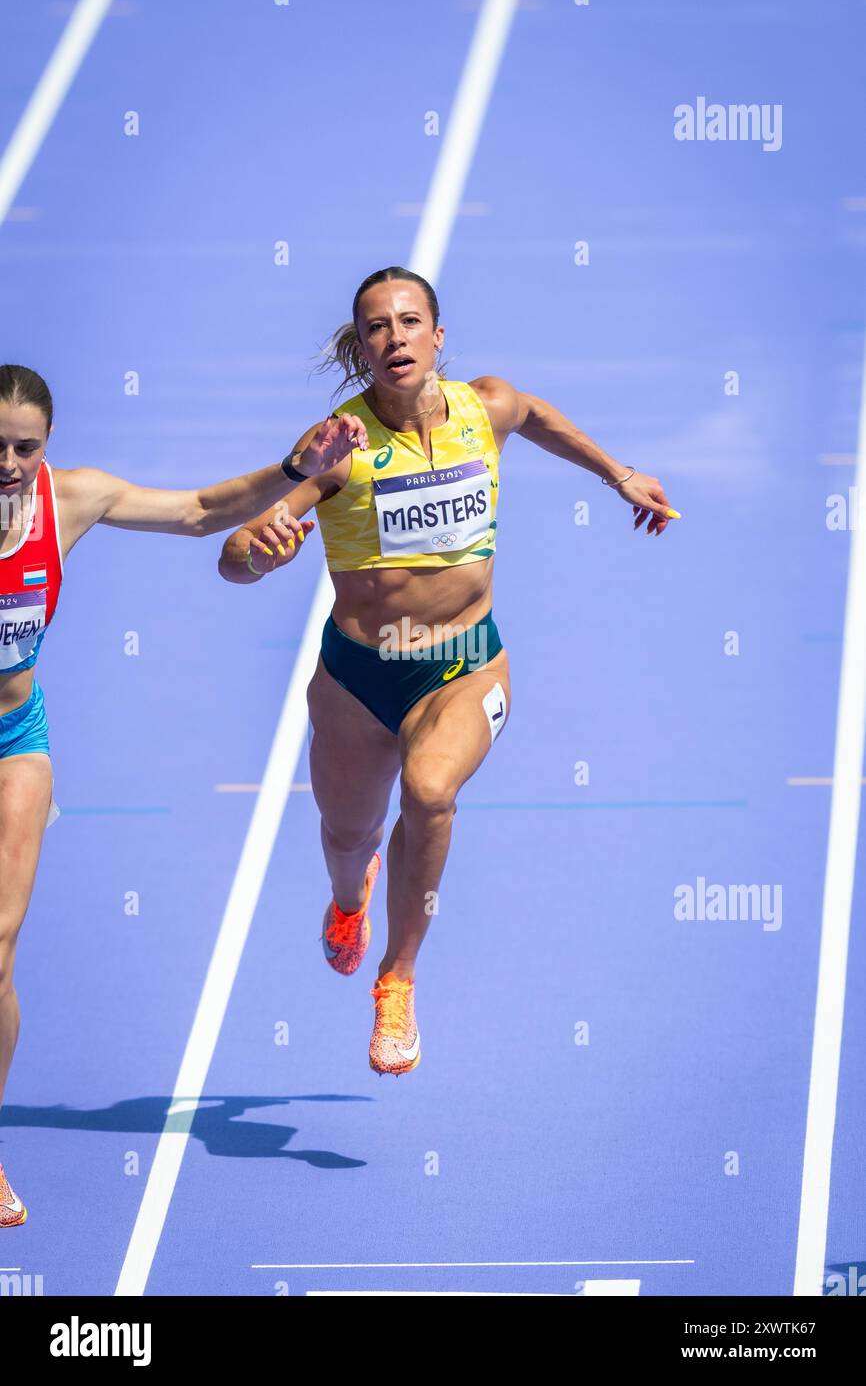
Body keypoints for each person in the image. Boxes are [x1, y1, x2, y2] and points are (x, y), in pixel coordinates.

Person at [218, 266, 679, 1079]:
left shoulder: (485, 405)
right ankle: (351, 899)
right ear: (360, 350)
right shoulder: (336, 448)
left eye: (408, 321)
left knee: (431, 793)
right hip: (358, 682)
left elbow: (534, 415)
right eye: (375, 328)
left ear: (438, 336)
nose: (393, 338)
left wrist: (620, 474)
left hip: (464, 667)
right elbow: (233, 557)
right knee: (345, 835)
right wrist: (255, 554)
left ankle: (398, 976)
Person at [0, 362, 324, 1226]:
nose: (6, 461)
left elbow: (198, 511)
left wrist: (293, 473)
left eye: (23, 447)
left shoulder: (70, 501)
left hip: (14, 743)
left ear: (47, 446)